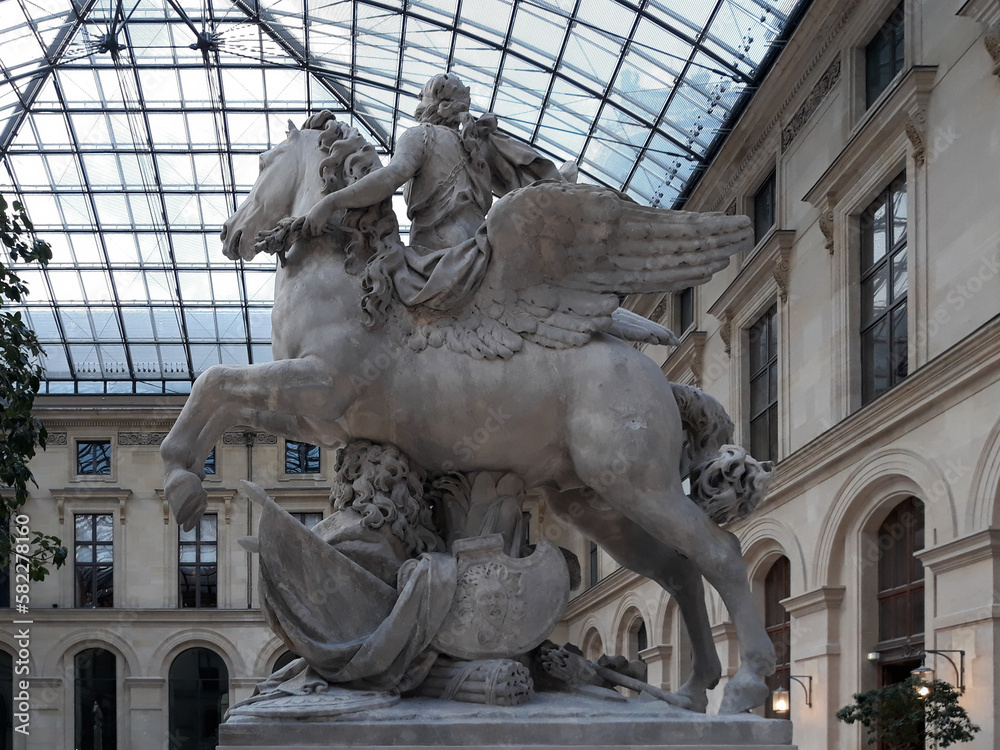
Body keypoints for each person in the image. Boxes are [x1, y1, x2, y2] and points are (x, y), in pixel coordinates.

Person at [300, 73, 572, 311]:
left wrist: (332, 201)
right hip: (481, 246)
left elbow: (389, 178)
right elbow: (523, 174)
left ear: (429, 103)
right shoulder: (479, 143)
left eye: (420, 98)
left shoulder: (422, 135)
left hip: (436, 254)